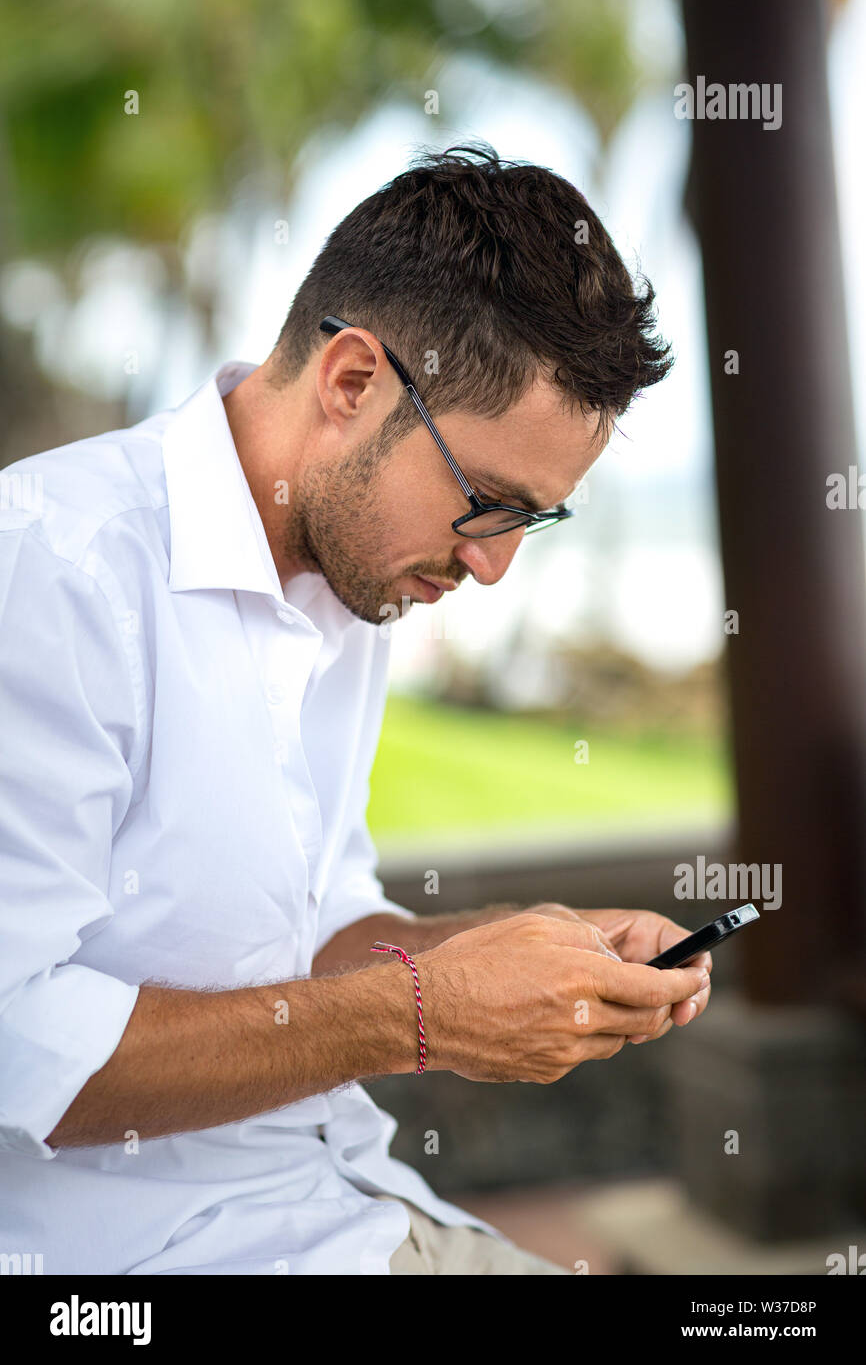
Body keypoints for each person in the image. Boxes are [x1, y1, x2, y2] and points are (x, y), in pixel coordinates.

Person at [0, 144, 711, 1276]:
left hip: (350, 1206)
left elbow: (313, 931)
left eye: (535, 522)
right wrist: (424, 1012)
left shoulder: (351, 578)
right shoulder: (49, 569)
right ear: (349, 383)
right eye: (488, 505)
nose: (491, 572)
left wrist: (504, 953)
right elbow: (15, 1043)